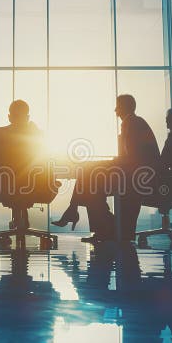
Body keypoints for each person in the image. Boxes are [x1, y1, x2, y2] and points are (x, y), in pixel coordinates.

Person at [52, 94, 161, 242]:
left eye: (118, 106)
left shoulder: (132, 123)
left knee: (89, 175)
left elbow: (132, 157)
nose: (115, 110)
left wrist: (108, 163)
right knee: (89, 174)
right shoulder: (134, 122)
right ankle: (83, 216)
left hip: (136, 176)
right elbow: (131, 157)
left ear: (124, 107)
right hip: (135, 173)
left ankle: (84, 217)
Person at [0, 100, 52, 230]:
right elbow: (47, 163)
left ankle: (19, 214)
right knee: (23, 187)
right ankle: (22, 212)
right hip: (33, 187)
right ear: (28, 117)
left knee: (13, 187)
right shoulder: (39, 136)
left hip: (1, 188)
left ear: (9, 117)